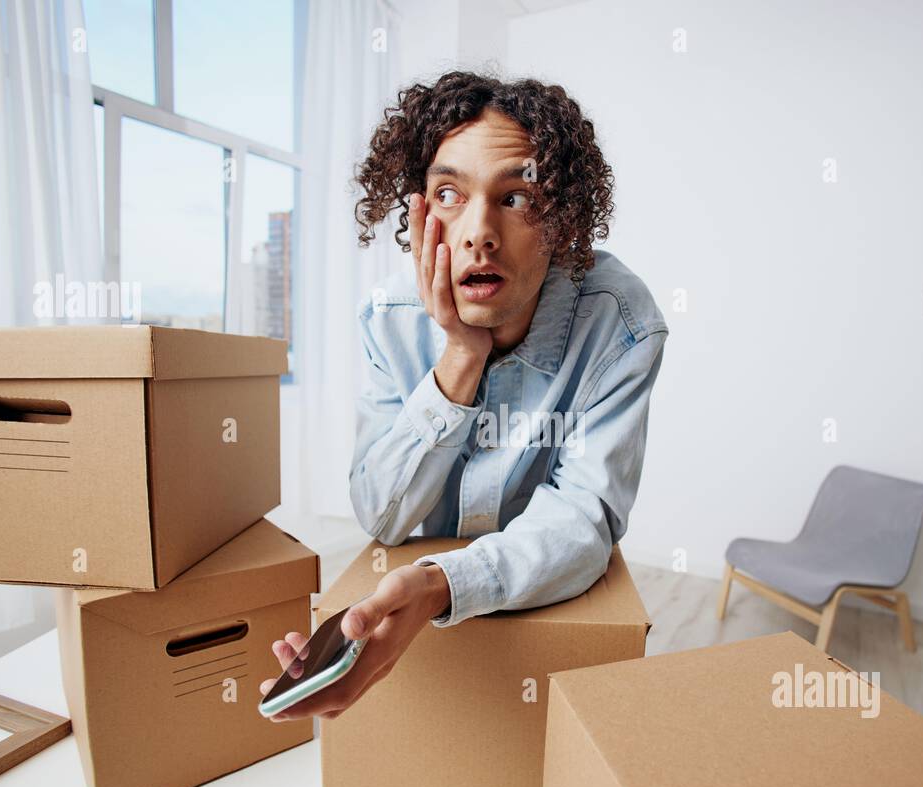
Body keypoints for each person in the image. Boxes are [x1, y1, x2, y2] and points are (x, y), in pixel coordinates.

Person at [261, 72, 667, 721]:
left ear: (564, 220)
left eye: (516, 197)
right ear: (421, 208)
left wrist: (442, 584)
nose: (478, 231)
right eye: (449, 192)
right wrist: (460, 354)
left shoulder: (621, 323)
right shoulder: (388, 318)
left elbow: (584, 516)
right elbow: (384, 517)